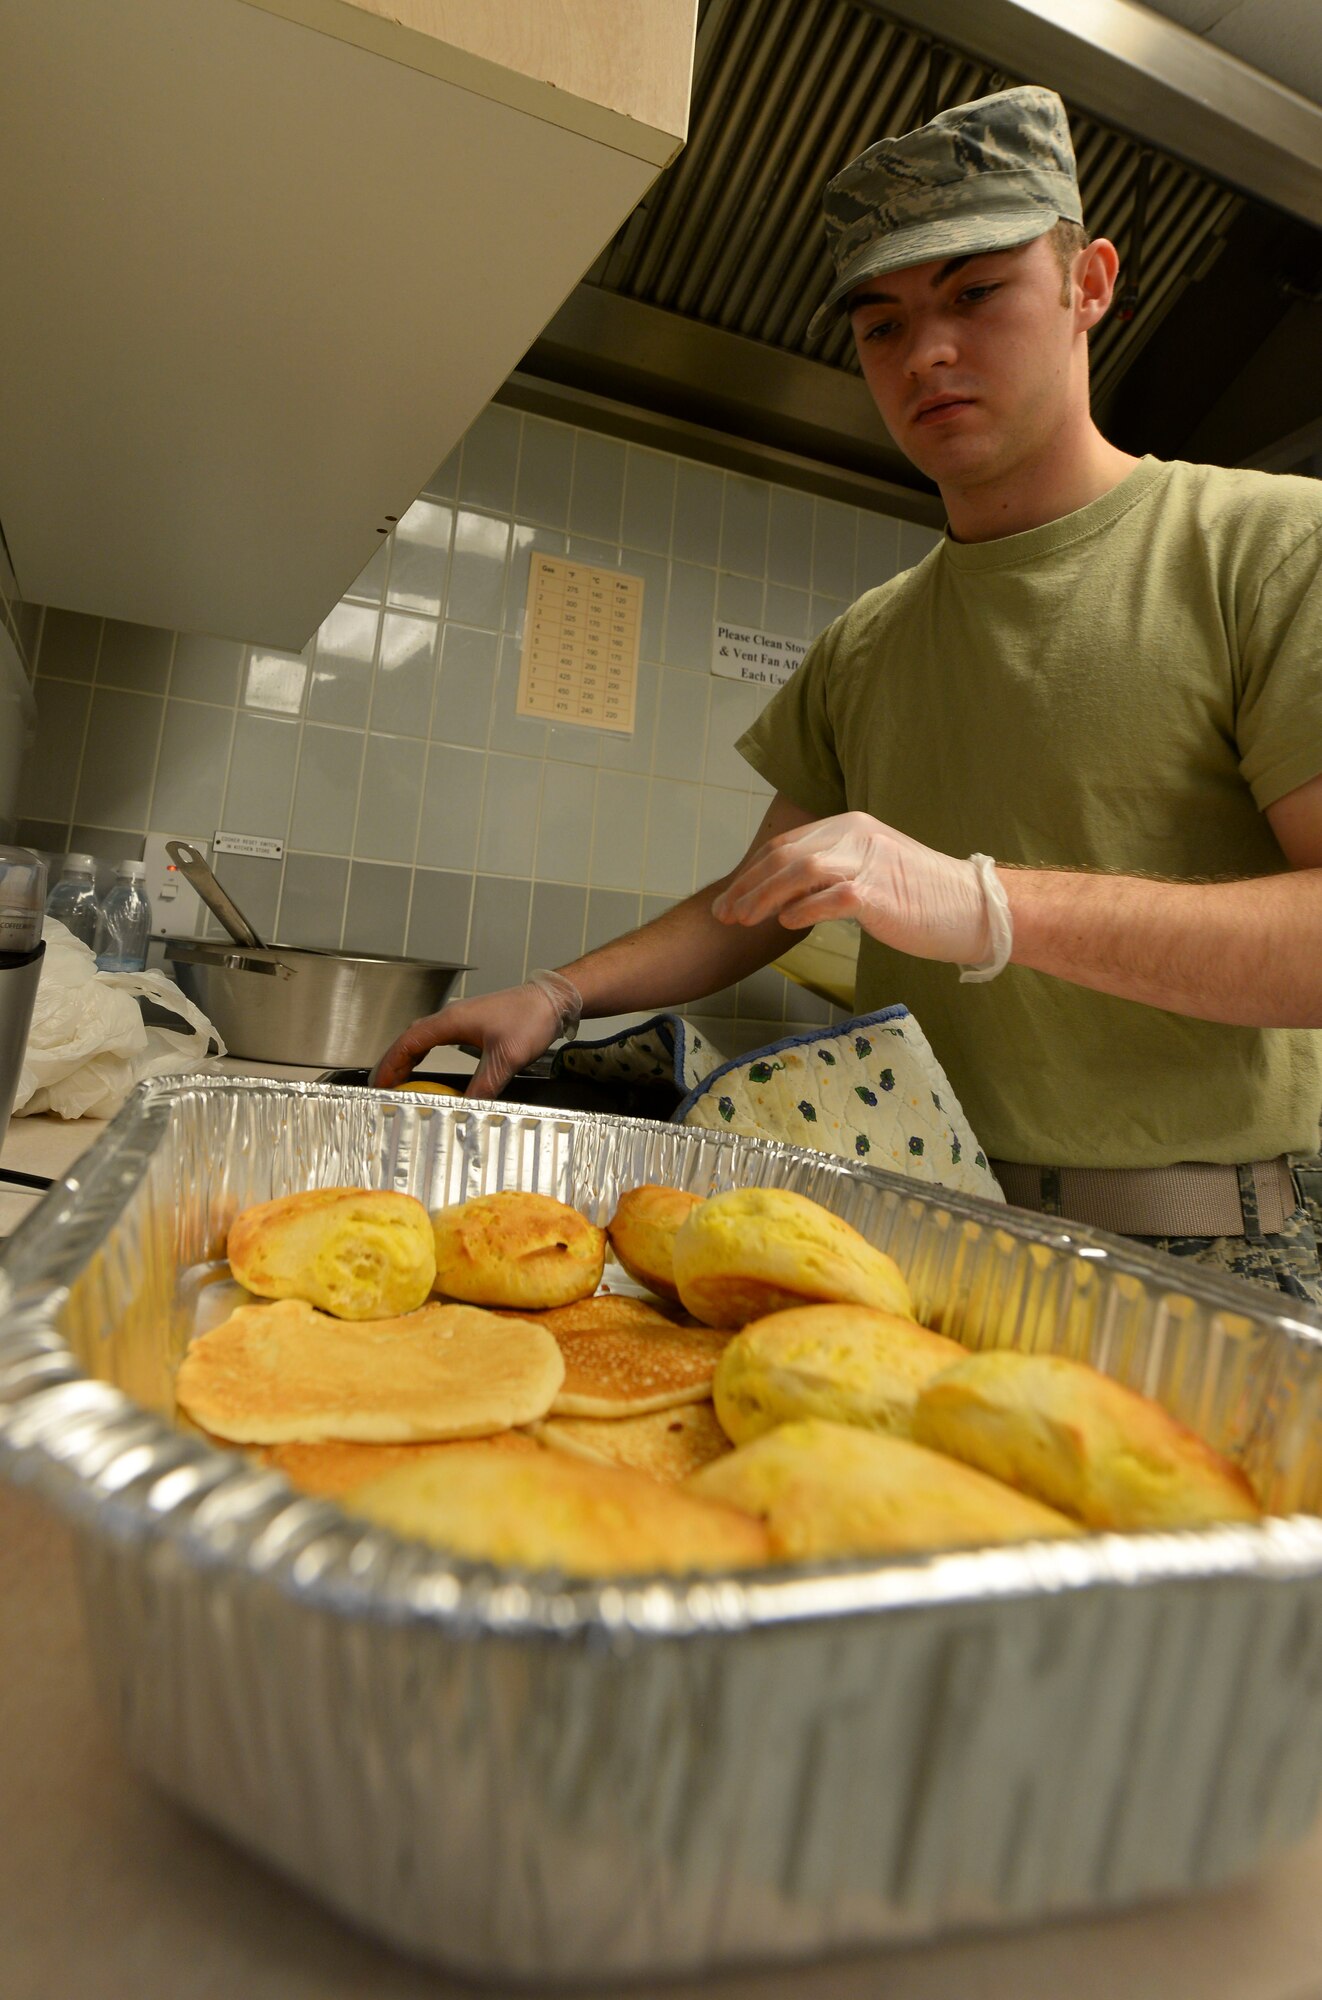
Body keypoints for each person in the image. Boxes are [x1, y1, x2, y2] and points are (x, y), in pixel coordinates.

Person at [375, 85, 1322, 1305]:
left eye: (976, 293)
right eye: (881, 323)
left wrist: (977, 902)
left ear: (1087, 283)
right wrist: (558, 994)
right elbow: (754, 902)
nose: (925, 352)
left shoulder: (1264, 551)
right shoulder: (869, 642)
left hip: (1214, 1268)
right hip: (920, 1244)